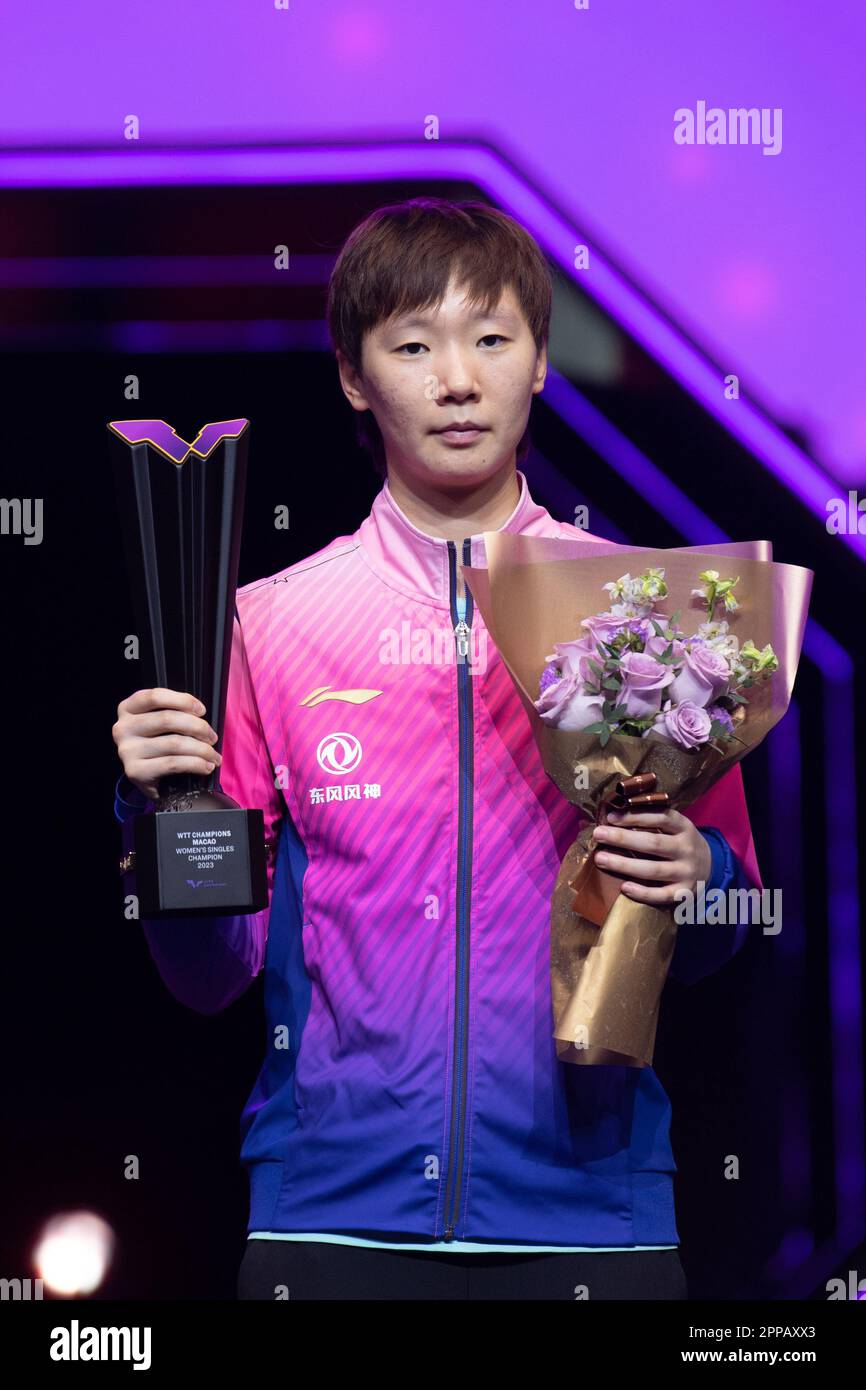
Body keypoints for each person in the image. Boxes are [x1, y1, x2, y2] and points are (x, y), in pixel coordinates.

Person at [112, 197, 760, 1301]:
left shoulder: (644, 614)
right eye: (412, 345)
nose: (456, 380)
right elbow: (211, 973)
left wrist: (704, 884)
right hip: (331, 1227)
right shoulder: (270, 621)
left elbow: (721, 937)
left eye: (491, 339)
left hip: (594, 1227)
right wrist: (156, 810)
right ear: (354, 377)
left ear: (541, 362)